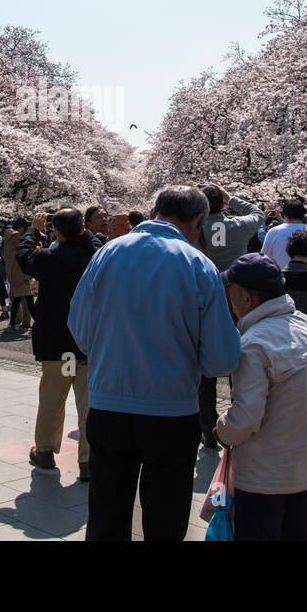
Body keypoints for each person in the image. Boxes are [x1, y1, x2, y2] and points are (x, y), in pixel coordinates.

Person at [68, 185, 242, 541]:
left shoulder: (107, 253)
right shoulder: (198, 264)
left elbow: (79, 328)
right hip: (171, 410)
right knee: (165, 517)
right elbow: (222, 357)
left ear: (153, 212)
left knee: (106, 513)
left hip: (108, 404)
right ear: (197, 220)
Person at [213, 253, 307, 540]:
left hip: (264, 476)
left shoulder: (254, 343)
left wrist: (221, 429)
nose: (230, 304)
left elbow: (245, 418)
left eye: (231, 295)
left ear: (248, 297)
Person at [16, 208, 96, 481]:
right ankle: (88, 460)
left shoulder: (49, 258)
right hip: (85, 341)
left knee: (52, 398)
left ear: (57, 233)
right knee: (87, 403)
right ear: (83, 229)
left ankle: (46, 451)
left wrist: (33, 229)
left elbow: (23, 257)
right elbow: (94, 240)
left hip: (57, 343)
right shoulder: (93, 254)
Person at [197, 184, 265, 449]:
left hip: (207, 295)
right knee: (241, 358)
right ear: (223, 203)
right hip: (238, 297)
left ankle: (206, 426)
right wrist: (232, 198)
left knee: (206, 366)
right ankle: (240, 420)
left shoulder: (196, 229)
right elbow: (258, 213)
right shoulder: (238, 226)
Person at [262, 201, 307, 272]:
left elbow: (264, 259)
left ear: (284, 215)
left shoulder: (273, 232)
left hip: (281, 278)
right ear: (303, 214)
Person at [3, 217, 35, 330]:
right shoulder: (16, 237)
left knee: (17, 298)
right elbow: (26, 248)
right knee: (28, 299)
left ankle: (14, 322)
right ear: (21, 228)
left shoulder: (7, 236)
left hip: (12, 271)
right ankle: (33, 321)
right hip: (20, 271)